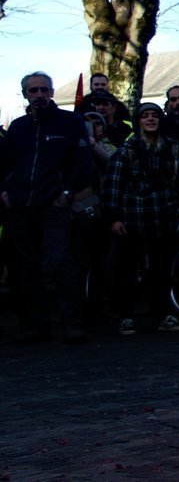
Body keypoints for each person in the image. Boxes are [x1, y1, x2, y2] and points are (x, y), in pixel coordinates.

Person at [0, 72, 95, 343]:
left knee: (60, 262)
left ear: (52, 92)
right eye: (33, 91)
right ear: (25, 95)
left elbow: (82, 162)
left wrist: (67, 191)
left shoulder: (69, 122)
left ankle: (72, 323)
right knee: (25, 268)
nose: (39, 95)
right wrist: (5, 190)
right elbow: (5, 164)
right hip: (21, 206)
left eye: (43, 90)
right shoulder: (17, 128)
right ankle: (35, 325)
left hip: (54, 204)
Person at [105, 102, 179, 334]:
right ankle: (125, 315)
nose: (150, 119)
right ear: (138, 121)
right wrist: (115, 218)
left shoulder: (173, 148)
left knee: (162, 270)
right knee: (126, 270)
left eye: (154, 116)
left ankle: (163, 313)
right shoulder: (126, 150)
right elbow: (114, 186)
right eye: (145, 116)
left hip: (163, 218)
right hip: (132, 219)